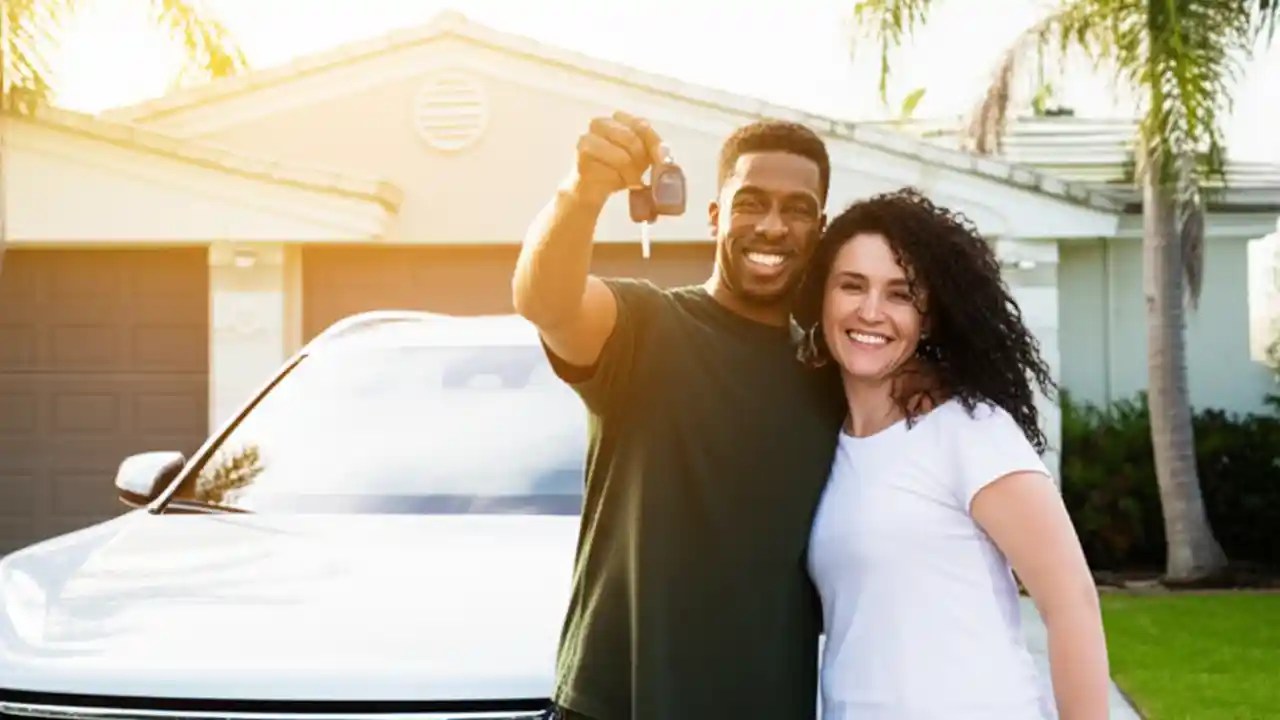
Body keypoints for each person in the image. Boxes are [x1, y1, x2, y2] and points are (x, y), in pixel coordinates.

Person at [512, 111, 846, 720]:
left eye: (797, 209)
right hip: (614, 705)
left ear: (818, 230)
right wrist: (582, 192)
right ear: (715, 216)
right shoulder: (647, 327)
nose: (773, 226)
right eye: (751, 203)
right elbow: (545, 301)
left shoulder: (831, 376)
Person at [793, 187, 1111, 719]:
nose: (871, 311)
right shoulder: (824, 442)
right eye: (852, 286)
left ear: (929, 318)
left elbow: (1070, 603)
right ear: (821, 297)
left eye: (900, 294)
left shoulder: (970, 430)